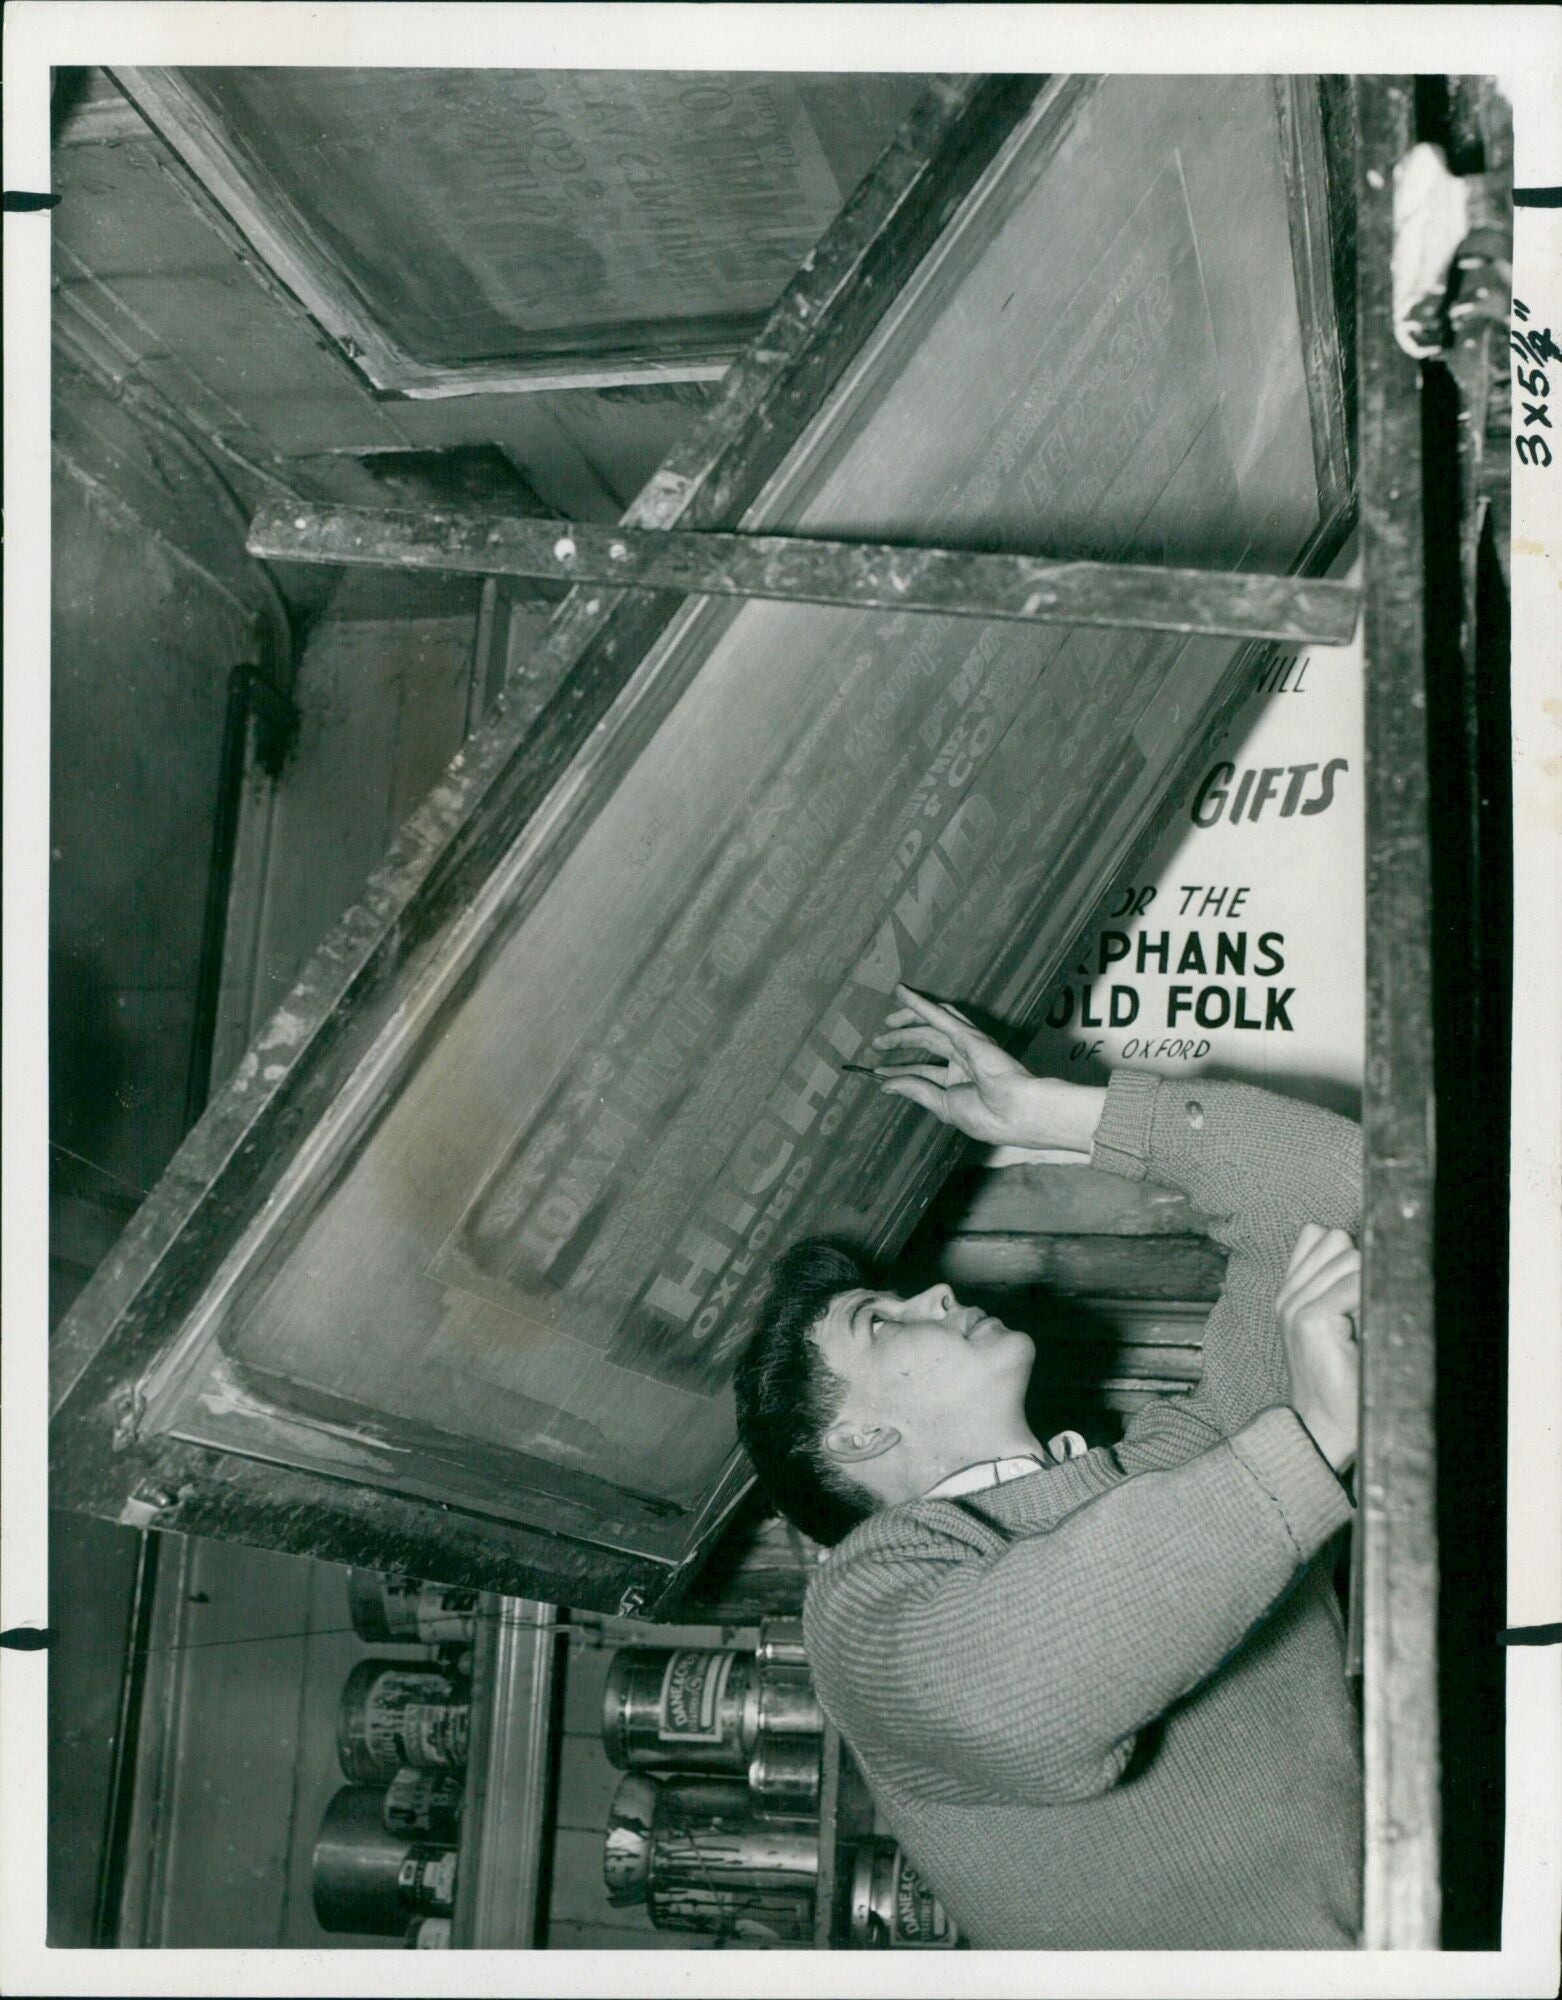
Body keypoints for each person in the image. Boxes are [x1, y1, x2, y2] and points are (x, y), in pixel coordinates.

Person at [734, 983, 1365, 1950]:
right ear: (855, 1439)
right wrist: (1312, 1438)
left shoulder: (1173, 1459)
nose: (934, 1293)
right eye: (882, 1321)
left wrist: (1050, 1113)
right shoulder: (863, 1611)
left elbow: (1337, 1195)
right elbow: (1018, 1693)